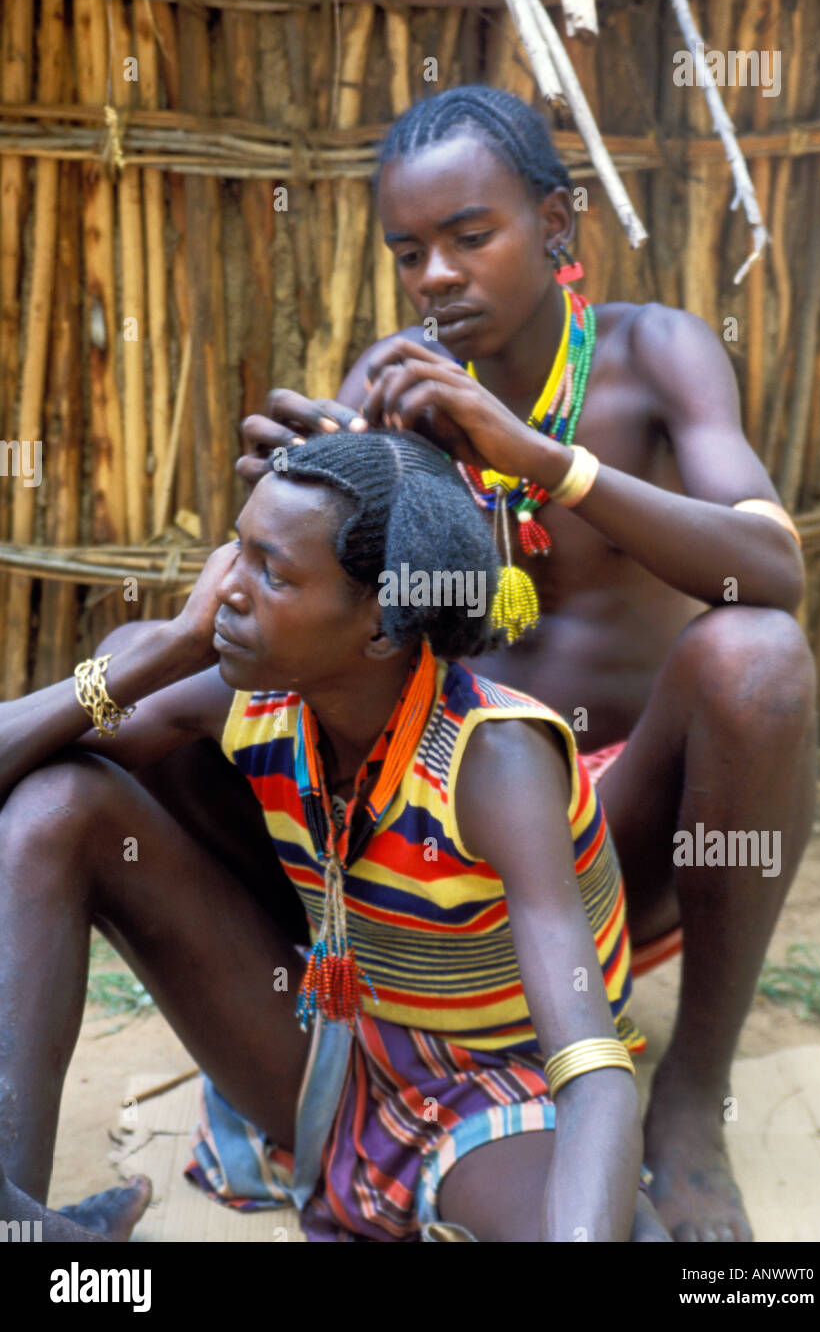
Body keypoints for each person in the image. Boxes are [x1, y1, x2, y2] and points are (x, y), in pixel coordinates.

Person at [239, 86, 818, 1241]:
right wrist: (286, 490)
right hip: (445, 859)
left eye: (469, 235)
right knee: (210, 692)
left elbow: (774, 569)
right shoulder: (391, 385)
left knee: (757, 656)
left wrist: (545, 462)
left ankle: (690, 1102)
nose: (436, 276)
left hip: (631, 843)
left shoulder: (658, 356)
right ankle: (328, 1035)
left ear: (558, 226)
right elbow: (314, 619)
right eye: (410, 252)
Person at [0, 429, 668, 1243]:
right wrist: (169, 646)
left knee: (613, 1234)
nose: (225, 591)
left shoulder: (494, 761)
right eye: (234, 551)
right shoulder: (255, 694)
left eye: (271, 572)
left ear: (383, 627)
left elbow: (590, 1065)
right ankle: (21, 1230)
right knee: (58, 805)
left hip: (496, 1086)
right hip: (325, 1038)